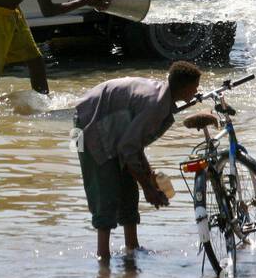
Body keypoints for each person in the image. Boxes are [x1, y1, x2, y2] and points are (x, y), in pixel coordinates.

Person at [73, 62, 203, 262]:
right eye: (195, 87)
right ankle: (103, 257)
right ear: (185, 88)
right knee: (105, 191)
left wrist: (149, 179)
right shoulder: (156, 105)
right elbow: (128, 148)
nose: (197, 91)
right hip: (88, 124)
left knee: (128, 189)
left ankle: (132, 247)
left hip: (112, 126)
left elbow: (134, 145)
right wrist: (148, 189)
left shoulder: (163, 98)